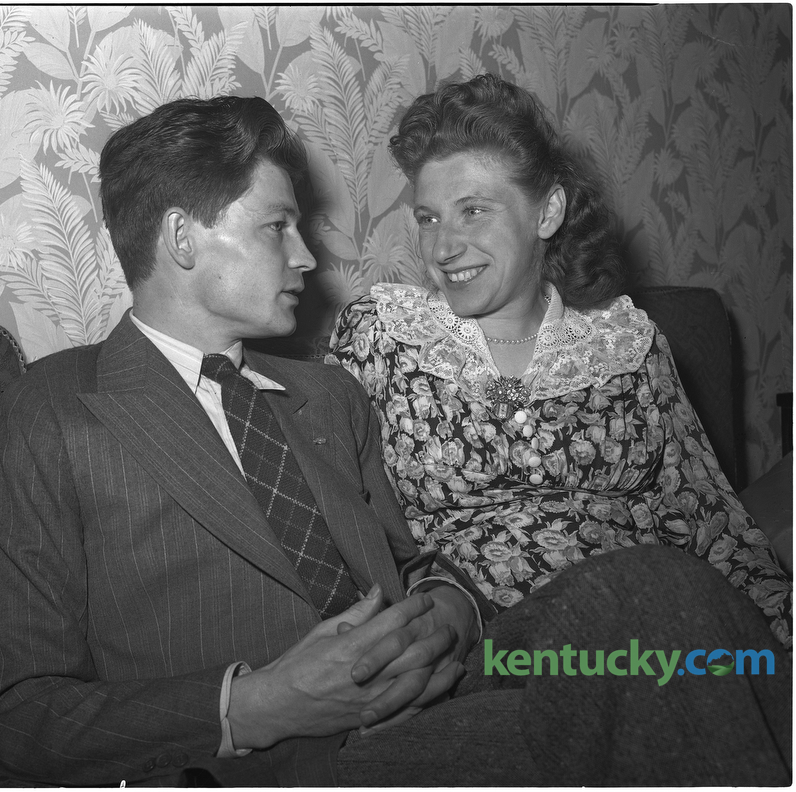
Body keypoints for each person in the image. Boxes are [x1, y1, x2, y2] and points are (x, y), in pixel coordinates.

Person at [0, 91, 790, 788]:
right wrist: (253, 704)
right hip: (266, 763)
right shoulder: (56, 410)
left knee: (661, 607)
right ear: (183, 239)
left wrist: (455, 606)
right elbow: (5, 719)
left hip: (450, 708)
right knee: (658, 639)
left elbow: (409, 565)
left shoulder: (326, 398)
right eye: (278, 227)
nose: (309, 257)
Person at [327, 74, 791, 647]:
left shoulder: (626, 346)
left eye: (473, 211)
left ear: (546, 214)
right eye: (429, 217)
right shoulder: (383, 335)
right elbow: (339, 519)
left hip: (659, 618)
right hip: (488, 641)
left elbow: (711, 521)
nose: (443, 247)